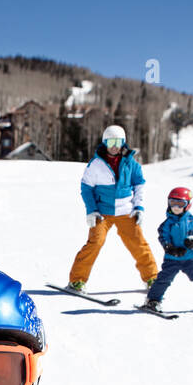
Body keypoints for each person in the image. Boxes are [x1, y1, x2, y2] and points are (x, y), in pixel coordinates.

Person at [67, 124, 158, 293]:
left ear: (123, 142)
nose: (114, 146)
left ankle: (152, 278)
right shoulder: (96, 164)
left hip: (126, 211)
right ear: (104, 143)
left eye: (118, 142)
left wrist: (139, 207)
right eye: (110, 142)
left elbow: (139, 185)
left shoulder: (132, 164)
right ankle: (77, 281)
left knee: (138, 243)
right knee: (95, 243)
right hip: (102, 212)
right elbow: (86, 188)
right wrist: (91, 210)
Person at [143, 186, 193, 314]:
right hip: (172, 259)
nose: (176, 207)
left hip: (190, 258)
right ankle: (153, 301)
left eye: (180, 203)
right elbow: (163, 237)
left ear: (187, 205)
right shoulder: (166, 224)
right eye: (172, 202)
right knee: (164, 279)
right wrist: (170, 248)